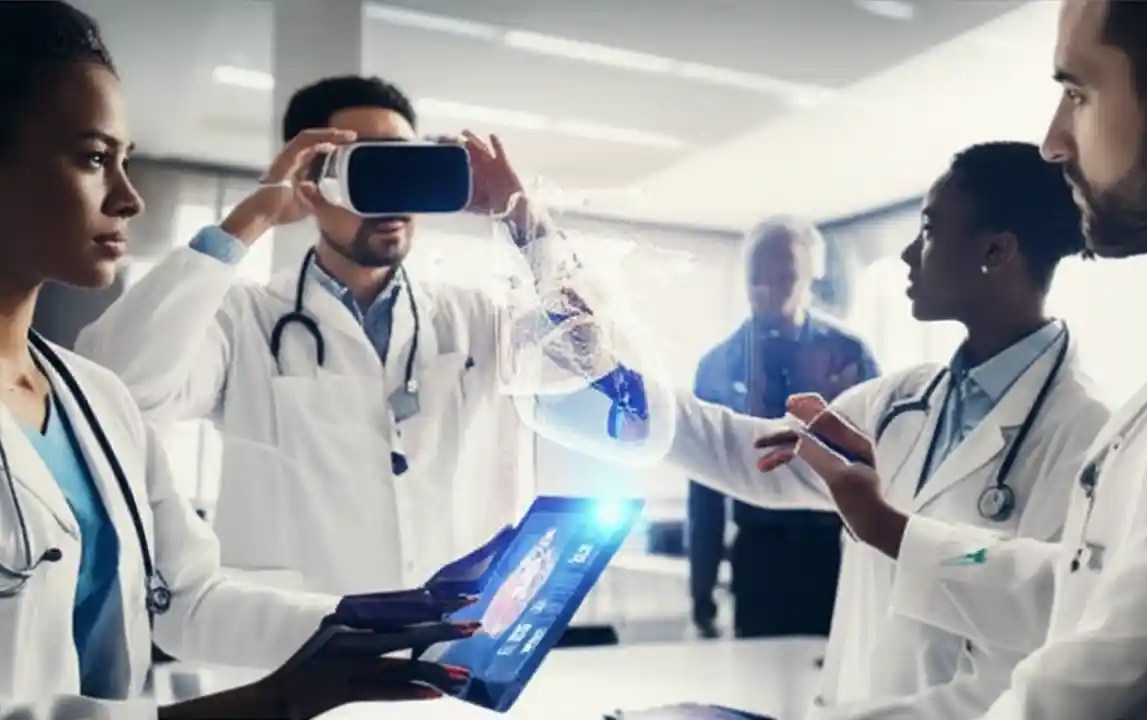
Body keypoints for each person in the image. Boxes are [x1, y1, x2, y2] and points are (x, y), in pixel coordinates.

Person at [779, 1, 1147, 717]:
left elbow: (1113, 692)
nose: (1053, 141)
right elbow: (1089, 585)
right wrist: (890, 528)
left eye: (1078, 94)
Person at [0, 2, 476, 716]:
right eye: (95, 158)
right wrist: (251, 216)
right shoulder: (240, 319)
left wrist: (372, 621)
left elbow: (186, 596)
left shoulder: (89, 399)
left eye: (126, 160)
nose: (129, 198)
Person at [76, 75, 667, 595]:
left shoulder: (476, 319)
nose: (392, 197)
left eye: (402, 164)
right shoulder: (243, 321)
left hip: (446, 654)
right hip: (298, 664)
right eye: (368, 167)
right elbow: (118, 387)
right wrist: (249, 218)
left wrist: (522, 216)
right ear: (309, 178)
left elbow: (597, 360)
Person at [662, 142, 1109, 719]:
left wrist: (886, 525)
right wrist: (599, 370)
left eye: (927, 230)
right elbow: (747, 453)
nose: (906, 254)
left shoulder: (1084, 432)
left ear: (997, 250)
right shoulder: (899, 400)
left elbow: (1029, 663)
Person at [687, 216, 878, 640]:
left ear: (812, 275)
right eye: (758, 278)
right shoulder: (718, 365)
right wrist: (701, 591)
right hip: (759, 554)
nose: (768, 291)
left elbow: (882, 457)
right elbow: (704, 489)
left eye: (784, 277)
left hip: (834, 549)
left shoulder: (848, 353)